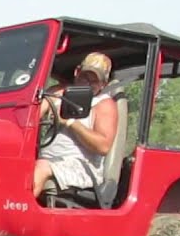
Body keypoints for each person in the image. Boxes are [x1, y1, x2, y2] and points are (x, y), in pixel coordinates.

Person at [32, 51, 119, 199]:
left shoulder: (104, 104)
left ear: (103, 84)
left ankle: (13, 218)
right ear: (77, 72)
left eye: (94, 80)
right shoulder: (58, 92)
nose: (88, 82)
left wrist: (71, 122)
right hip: (46, 159)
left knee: (40, 168)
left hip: (82, 167)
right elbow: (30, 118)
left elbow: (103, 146)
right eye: (85, 76)